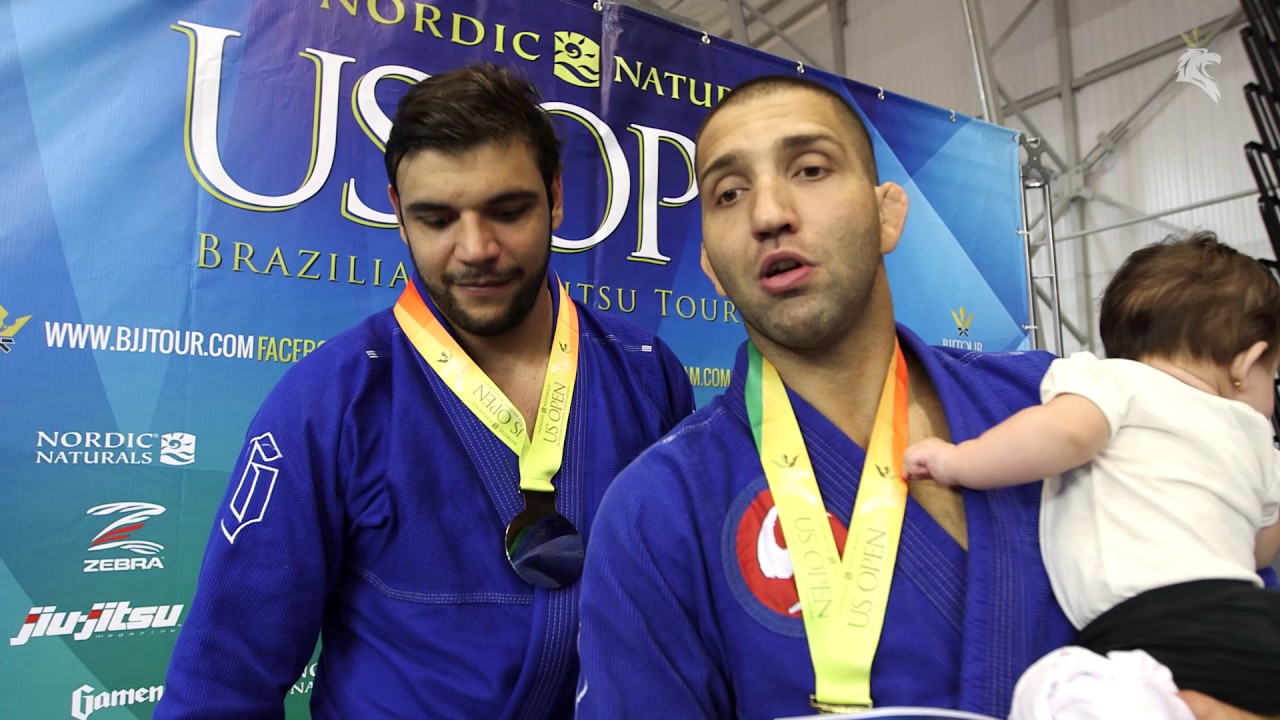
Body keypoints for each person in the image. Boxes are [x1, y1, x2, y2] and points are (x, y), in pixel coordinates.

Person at [573, 74, 1275, 720]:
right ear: (711, 267)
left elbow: (1240, 602)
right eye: (728, 193)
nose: (770, 213)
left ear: (888, 215)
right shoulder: (656, 513)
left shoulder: (1065, 401)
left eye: (811, 169)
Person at [155, 63, 694, 719]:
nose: (476, 248)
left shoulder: (645, 374)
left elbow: (685, 624)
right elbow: (221, 685)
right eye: (437, 218)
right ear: (398, 215)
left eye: (508, 209)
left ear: (554, 196)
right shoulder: (328, 403)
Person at [903, 233, 1280, 718]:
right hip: (1254, 623)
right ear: (1246, 364)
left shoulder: (1115, 379)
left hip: (1148, 630)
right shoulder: (1255, 437)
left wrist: (959, 461)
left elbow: (1065, 436)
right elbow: (1259, 549)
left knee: (1056, 689)